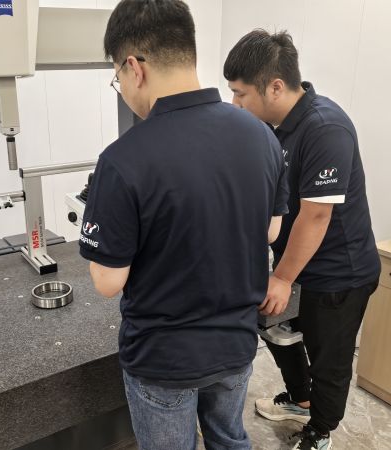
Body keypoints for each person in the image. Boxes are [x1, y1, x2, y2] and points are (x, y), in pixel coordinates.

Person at [79, 2, 289, 449]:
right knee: (229, 440)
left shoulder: (122, 159)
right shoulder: (262, 136)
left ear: (134, 68)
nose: (122, 88)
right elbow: (270, 232)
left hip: (163, 360)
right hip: (235, 345)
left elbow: (107, 282)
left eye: (117, 78)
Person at [224, 29, 381, 450]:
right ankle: (300, 398)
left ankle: (320, 431)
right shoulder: (274, 127)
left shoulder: (325, 128)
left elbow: (316, 215)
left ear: (275, 87)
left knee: (329, 357)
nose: (235, 103)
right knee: (277, 328)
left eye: (240, 94)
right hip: (296, 262)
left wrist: (282, 278)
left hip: (339, 272)